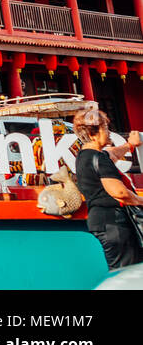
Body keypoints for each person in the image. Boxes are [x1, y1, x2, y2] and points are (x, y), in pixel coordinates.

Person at [72, 108, 143, 270]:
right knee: (126, 273)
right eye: (104, 128)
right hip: (114, 223)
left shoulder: (85, 156)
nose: (109, 132)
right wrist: (140, 201)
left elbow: (112, 154)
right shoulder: (98, 158)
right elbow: (120, 193)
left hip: (103, 223)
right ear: (92, 134)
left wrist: (129, 145)